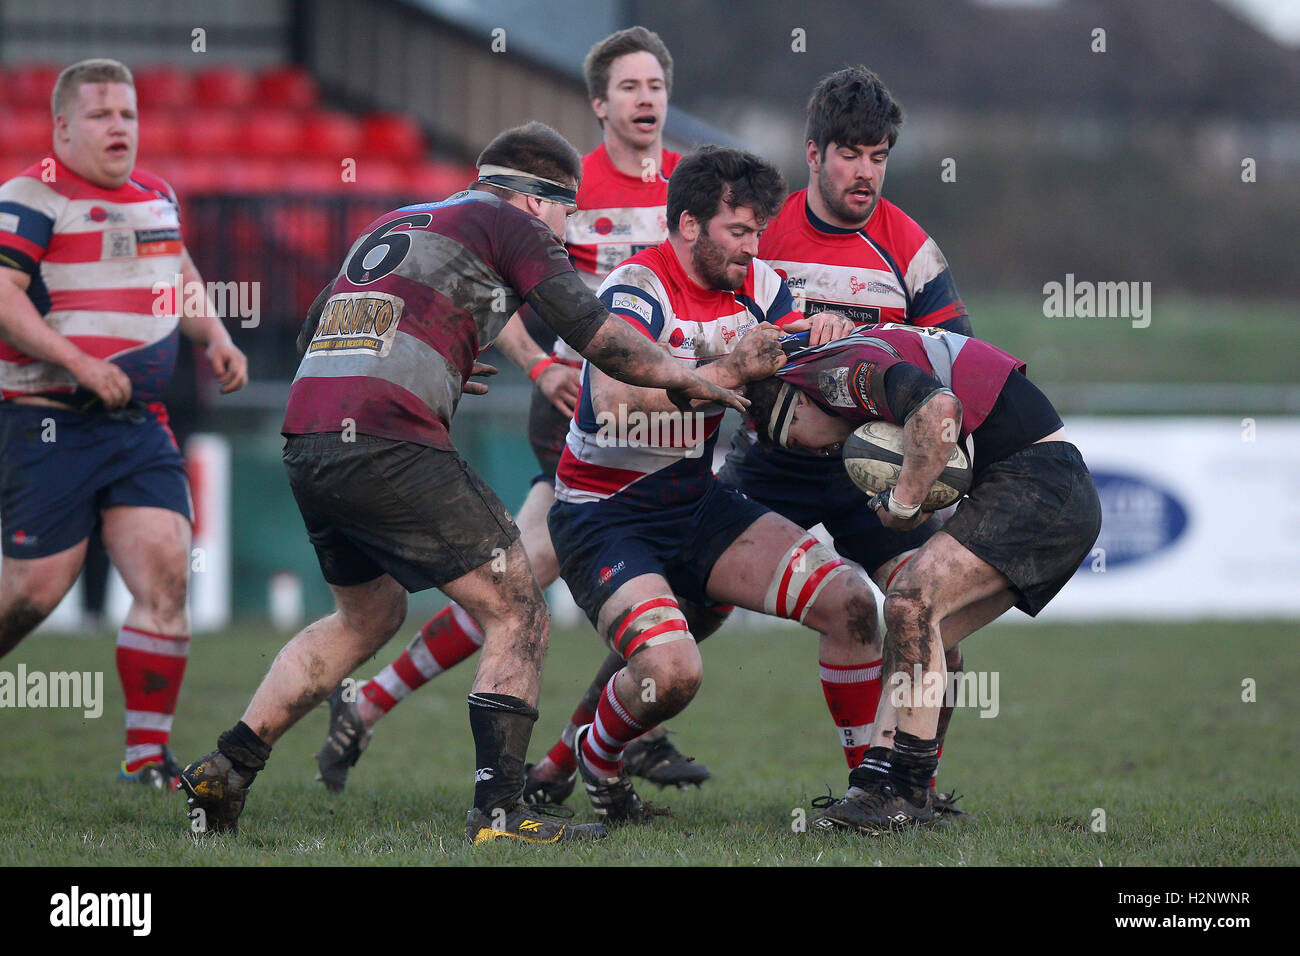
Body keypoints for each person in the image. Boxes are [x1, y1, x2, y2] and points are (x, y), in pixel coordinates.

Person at [177, 122, 747, 845]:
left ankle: (227, 765)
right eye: (566, 212)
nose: (566, 229)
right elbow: (593, 331)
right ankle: (500, 814)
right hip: (388, 437)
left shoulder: (398, 220)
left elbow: (314, 331)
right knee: (519, 609)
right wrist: (687, 376)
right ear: (537, 199)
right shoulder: (510, 221)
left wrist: (431, 344)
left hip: (309, 436)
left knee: (367, 616)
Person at [315, 26, 712, 799]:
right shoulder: (575, 188)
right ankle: (615, 740)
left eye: (656, 86)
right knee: (552, 574)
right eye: (628, 87)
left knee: (551, 573)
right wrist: (543, 365)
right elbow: (494, 287)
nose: (645, 100)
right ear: (598, 103)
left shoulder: (689, 192)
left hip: (663, 410)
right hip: (578, 411)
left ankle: (381, 702)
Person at [546, 144, 886, 826]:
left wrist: (835, 346)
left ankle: (869, 794)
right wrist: (729, 372)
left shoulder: (761, 287)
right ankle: (598, 755)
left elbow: (804, 391)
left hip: (695, 504)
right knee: (673, 674)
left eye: (758, 230)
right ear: (690, 225)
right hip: (604, 515)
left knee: (852, 603)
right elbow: (611, 403)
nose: (752, 246)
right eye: (738, 231)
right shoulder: (635, 289)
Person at [715, 67, 975, 810]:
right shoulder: (764, 235)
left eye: (879, 155)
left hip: (875, 471)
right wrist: (800, 337)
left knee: (932, 620)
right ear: (814, 152)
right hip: (775, 459)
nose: (865, 171)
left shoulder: (911, 248)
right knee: (687, 603)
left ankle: (903, 788)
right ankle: (585, 754)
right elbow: (725, 338)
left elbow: (954, 361)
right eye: (850, 153)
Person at [742, 323, 1102, 831]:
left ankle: (908, 791)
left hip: (1038, 482)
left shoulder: (829, 374)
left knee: (910, 601)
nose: (820, 454)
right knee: (917, 631)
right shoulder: (842, 357)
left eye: (800, 441)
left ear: (794, 406)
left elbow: (939, 411)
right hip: (1048, 483)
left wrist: (904, 500)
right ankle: (875, 786)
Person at [0, 59, 248, 787]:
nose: (120, 128)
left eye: (129, 115)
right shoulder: (30, 195)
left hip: (137, 425)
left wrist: (219, 336)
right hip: (46, 421)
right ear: (63, 128)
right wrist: (78, 363)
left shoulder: (157, 197)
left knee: (167, 570)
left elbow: (179, 277)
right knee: (32, 594)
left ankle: (146, 758)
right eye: (103, 115)